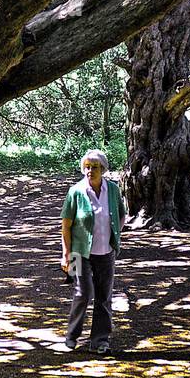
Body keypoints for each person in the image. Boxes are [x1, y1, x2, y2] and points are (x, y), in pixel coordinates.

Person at [59, 149, 123, 354]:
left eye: (94, 167)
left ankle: (100, 340)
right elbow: (65, 226)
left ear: (103, 169)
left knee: (104, 296)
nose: (90, 170)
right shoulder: (75, 192)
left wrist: (114, 235)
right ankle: (72, 335)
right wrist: (65, 254)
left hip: (107, 252)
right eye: (87, 167)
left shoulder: (112, 190)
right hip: (79, 253)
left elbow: (121, 215)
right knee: (82, 293)